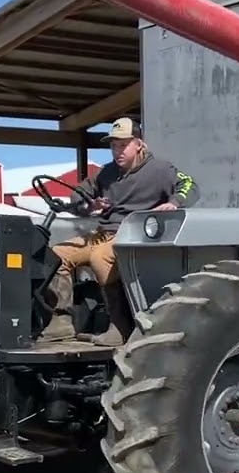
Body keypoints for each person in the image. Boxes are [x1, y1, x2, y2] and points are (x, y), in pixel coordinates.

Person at [38, 117, 200, 346]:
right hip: (101, 233)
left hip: (131, 237)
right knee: (54, 256)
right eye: (113, 145)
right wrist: (88, 205)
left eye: (123, 145)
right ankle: (62, 321)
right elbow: (77, 194)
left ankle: (120, 325)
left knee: (100, 257)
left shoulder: (160, 170)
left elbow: (190, 184)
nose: (117, 151)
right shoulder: (106, 173)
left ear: (139, 144)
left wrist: (174, 202)